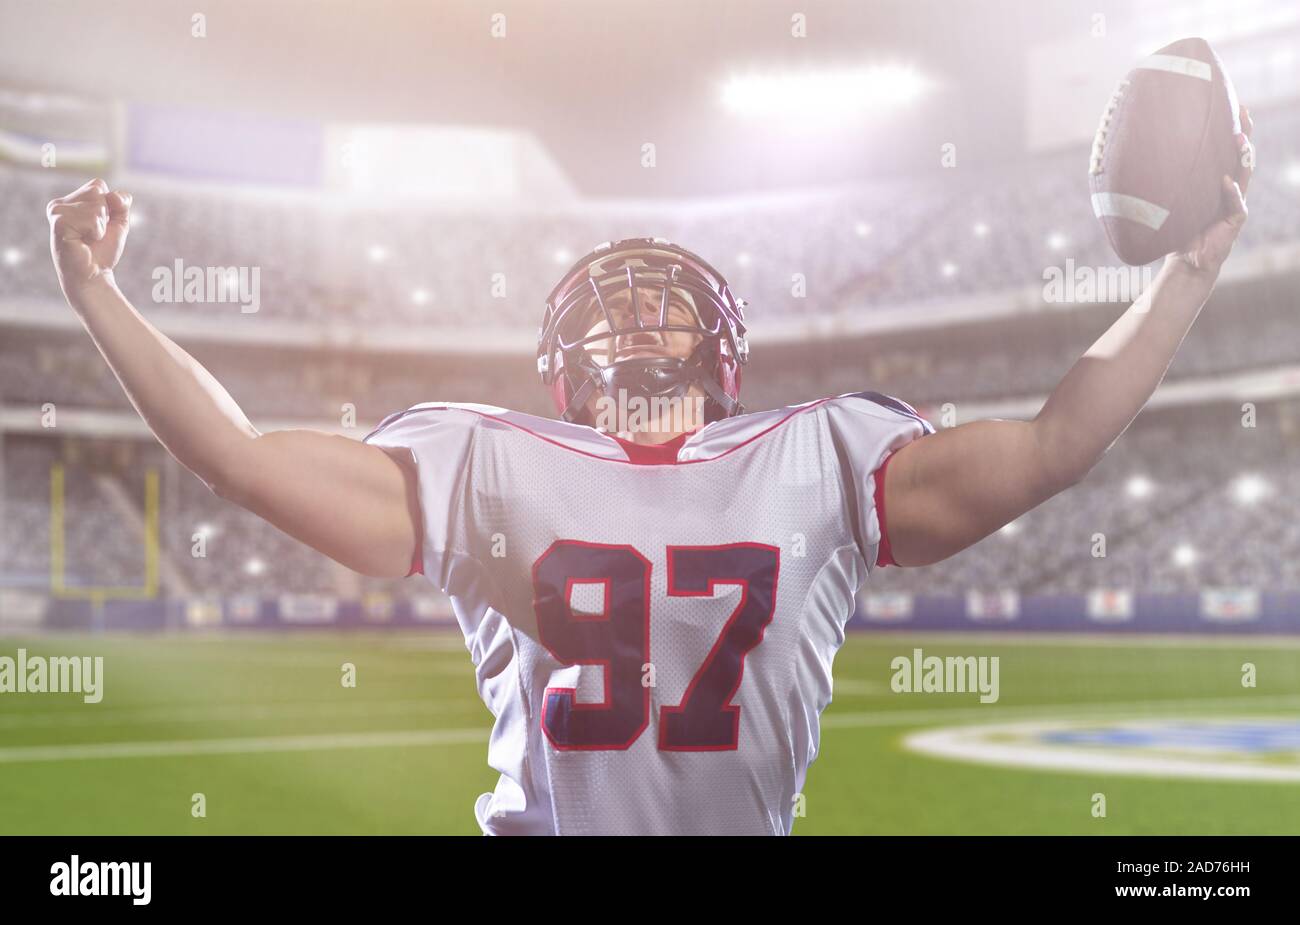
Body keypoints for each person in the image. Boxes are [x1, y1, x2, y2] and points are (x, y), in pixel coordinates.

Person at [44, 112, 1251, 833]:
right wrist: (99, 295)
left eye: (667, 315)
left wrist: (1185, 278)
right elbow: (242, 460)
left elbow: (1056, 447)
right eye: (628, 316)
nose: (644, 330)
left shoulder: (500, 456)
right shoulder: (811, 452)